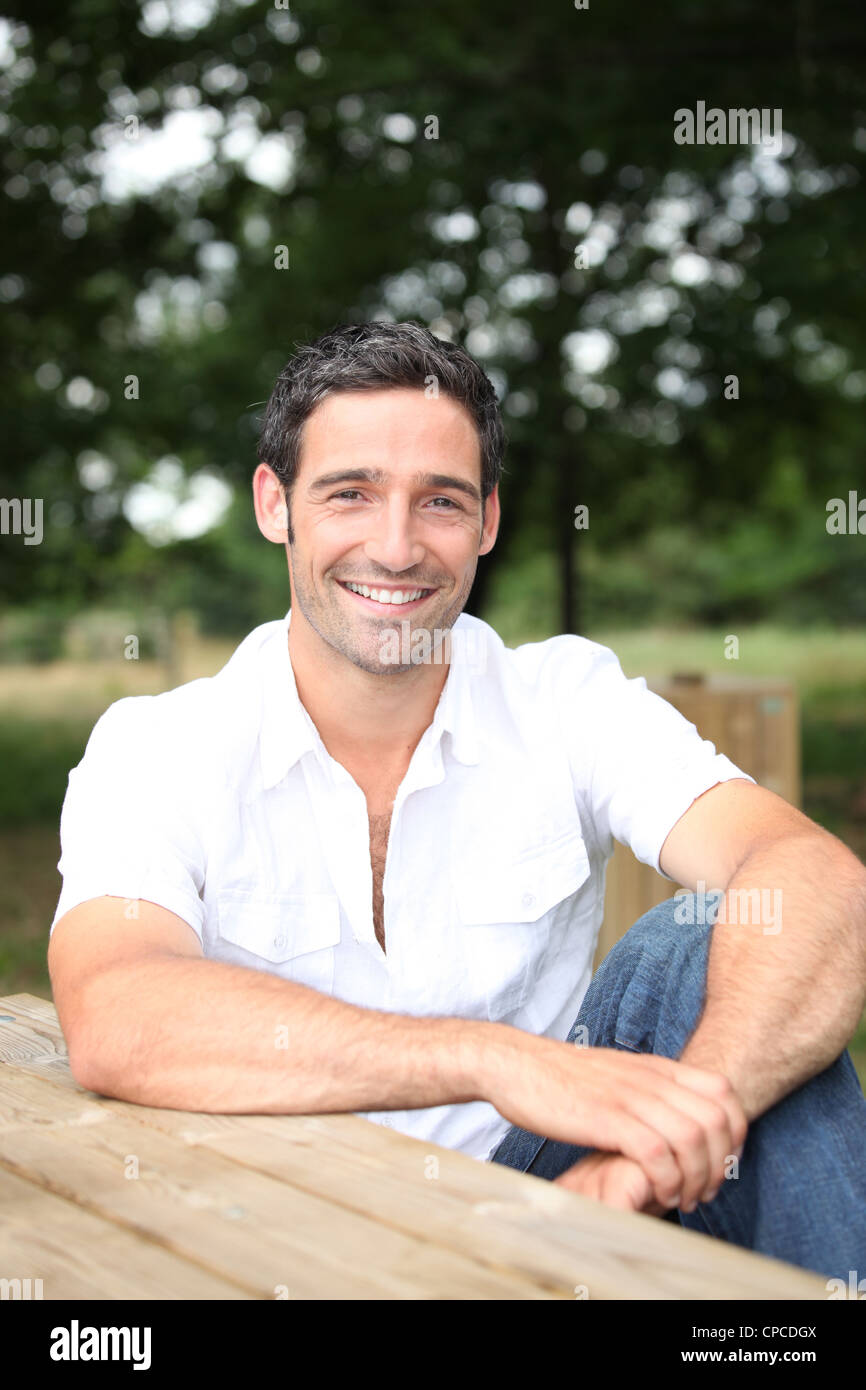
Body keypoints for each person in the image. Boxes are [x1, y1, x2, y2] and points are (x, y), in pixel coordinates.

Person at [48, 320, 866, 1280]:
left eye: (439, 501)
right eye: (350, 493)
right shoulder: (159, 744)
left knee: (700, 939)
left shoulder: (563, 699)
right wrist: (493, 1059)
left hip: (540, 1195)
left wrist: (659, 1134)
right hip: (275, 1210)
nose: (395, 549)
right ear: (276, 506)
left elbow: (817, 877)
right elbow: (117, 1010)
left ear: (485, 522)